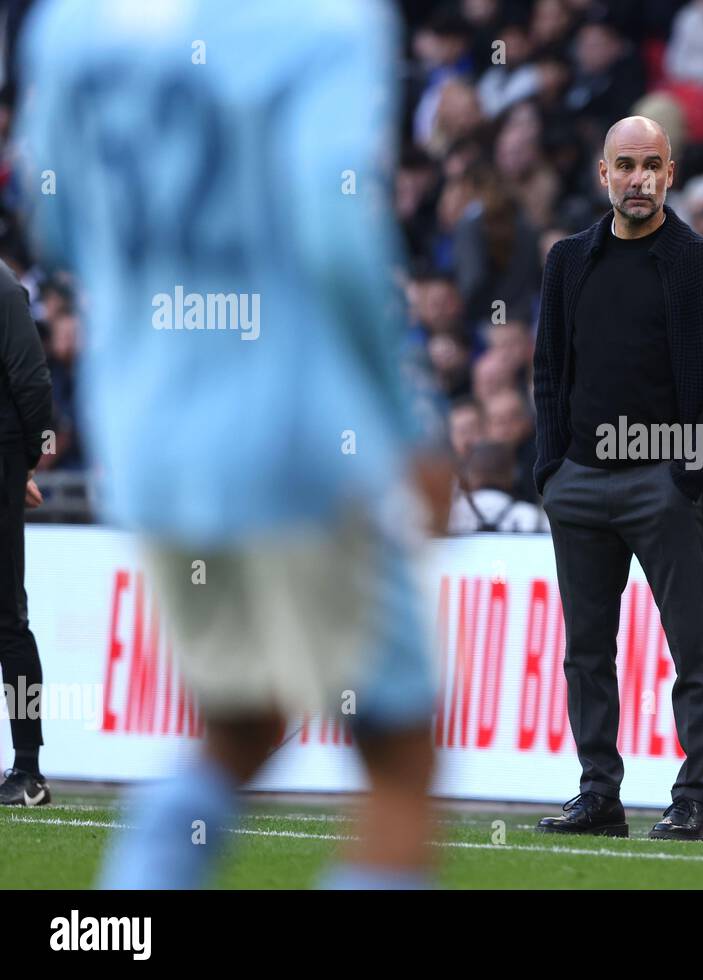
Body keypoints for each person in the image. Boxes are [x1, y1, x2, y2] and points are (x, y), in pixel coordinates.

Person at [18, 0, 452, 888]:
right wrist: (411, 431)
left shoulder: (71, 24)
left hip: (149, 439)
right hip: (293, 430)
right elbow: (337, 232)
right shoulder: (324, 20)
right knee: (400, 753)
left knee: (240, 727)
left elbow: (53, 214)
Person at [532, 115, 703, 841]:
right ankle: (600, 794)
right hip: (580, 485)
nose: (638, 178)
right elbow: (547, 373)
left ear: (671, 173)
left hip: (665, 481)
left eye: (651, 164)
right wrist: (551, 470)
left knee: (692, 649)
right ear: (603, 175)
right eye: (624, 165)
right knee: (585, 653)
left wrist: (688, 472)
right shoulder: (567, 261)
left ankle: (694, 800)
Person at [0, 261, 53, 806]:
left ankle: (28, 769)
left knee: (8, 621)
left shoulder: (3, 286)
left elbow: (32, 378)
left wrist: (27, 465)